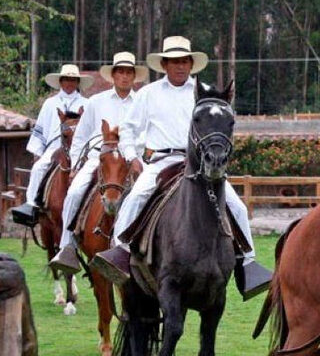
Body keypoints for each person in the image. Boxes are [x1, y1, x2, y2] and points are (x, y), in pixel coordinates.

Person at [91, 36, 272, 298]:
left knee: (237, 206)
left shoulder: (205, 93)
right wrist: (133, 158)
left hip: (200, 165)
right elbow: (129, 129)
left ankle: (248, 264)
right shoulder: (148, 94)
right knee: (137, 197)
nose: (180, 66)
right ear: (164, 64)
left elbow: (221, 124)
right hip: (161, 162)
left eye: (184, 61)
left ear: (191, 64)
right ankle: (120, 252)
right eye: (174, 61)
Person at [49, 52, 149, 274]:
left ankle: (151, 244)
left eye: (129, 72)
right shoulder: (96, 102)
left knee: (152, 193)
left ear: (134, 77)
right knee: (74, 193)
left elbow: (146, 132)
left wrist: (135, 155)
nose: (124, 76)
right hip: (97, 157)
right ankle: (68, 247)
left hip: (132, 158)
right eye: (120, 72)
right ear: (113, 75)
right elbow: (81, 137)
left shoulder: (143, 101)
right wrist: (76, 166)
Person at [11, 64, 92, 226]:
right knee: (39, 167)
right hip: (55, 145)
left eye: (73, 80)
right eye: (66, 79)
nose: (69, 83)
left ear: (78, 82)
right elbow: (41, 128)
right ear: (60, 82)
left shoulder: (87, 103)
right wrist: (38, 153)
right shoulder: (50, 103)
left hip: (81, 147)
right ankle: (32, 204)